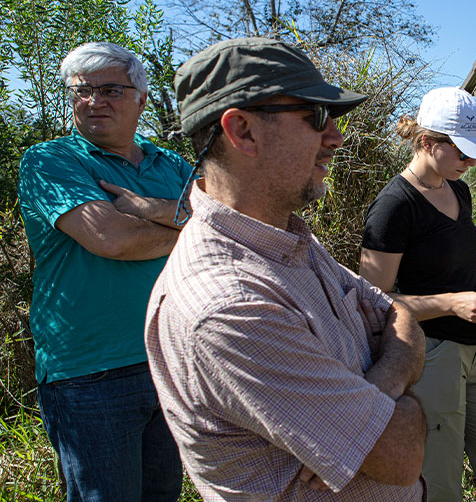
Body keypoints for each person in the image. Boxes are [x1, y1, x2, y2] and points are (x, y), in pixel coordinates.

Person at [145, 37, 429, 501]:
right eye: (316, 115)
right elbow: (400, 454)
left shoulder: (286, 240)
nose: (335, 136)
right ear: (243, 131)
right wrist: (401, 404)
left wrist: (384, 385)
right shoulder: (227, 304)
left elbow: (400, 317)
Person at [18, 42, 189, 501]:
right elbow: (112, 239)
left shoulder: (169, 163)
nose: (94, 101)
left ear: (142, 98)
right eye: (82, 91)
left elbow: (228, 221)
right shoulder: (50, 161)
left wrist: (142, 208)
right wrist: (187, 227)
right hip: (90, 373)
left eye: (111, 89)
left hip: (171, 362)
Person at [359, 87, 476, 502]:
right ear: (426, 142)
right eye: (461, 151)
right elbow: (371, 301)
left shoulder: (457, 189)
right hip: (430, 354)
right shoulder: (393, 207)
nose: (470, 162)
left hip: (473, 353)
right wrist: (453, 303)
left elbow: (452, 261)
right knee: (439, 484)